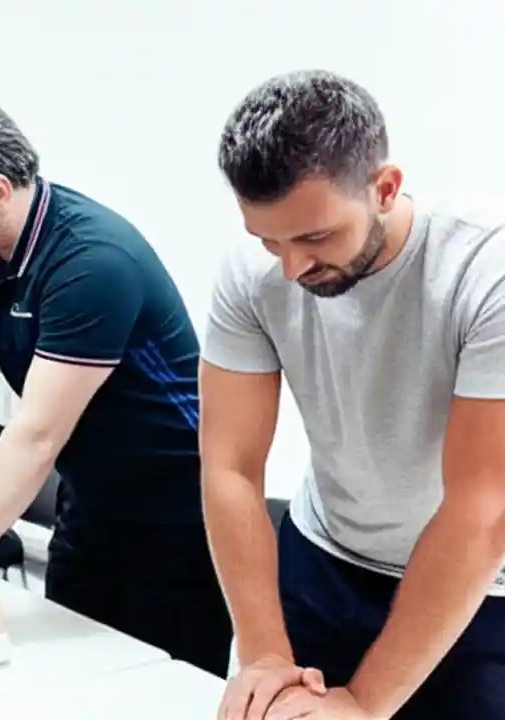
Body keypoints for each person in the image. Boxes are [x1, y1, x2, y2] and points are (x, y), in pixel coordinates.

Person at [0, 96, 232, 677]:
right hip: (90, 502)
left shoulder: (92, 262)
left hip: (179, 519)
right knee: (68, 684)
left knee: (154, 690)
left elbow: (35, 436)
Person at [204, 69, 505, 720]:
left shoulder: (485, 271)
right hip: (325, 560)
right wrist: (262, 654)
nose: (291, 268)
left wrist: (366, 704)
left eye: (314, 238)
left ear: (385, 188)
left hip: (477, 593)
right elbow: (229, 466)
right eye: (269, 240)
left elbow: (483, 507)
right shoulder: (253, 272)